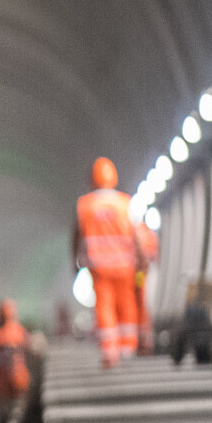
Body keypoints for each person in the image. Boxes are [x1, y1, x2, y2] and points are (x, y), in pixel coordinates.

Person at [73, 157, 144, 367]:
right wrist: (140, 258)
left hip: (99, 265)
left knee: (104, 305)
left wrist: (75, 259)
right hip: (124, 264)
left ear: (92, 179)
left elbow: (76, 234)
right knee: (127, 303)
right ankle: (128, 347)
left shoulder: (85, 205)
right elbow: (136, 234)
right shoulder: (124, 202)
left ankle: (109, 351)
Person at [133, 213, 160, 356]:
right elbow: (155, 256)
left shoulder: (134, 232)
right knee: (144, 306)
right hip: (142, 274)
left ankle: (141, 341)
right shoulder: (148, 234)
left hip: (135, 274)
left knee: (138, 307)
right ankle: (145, 341)